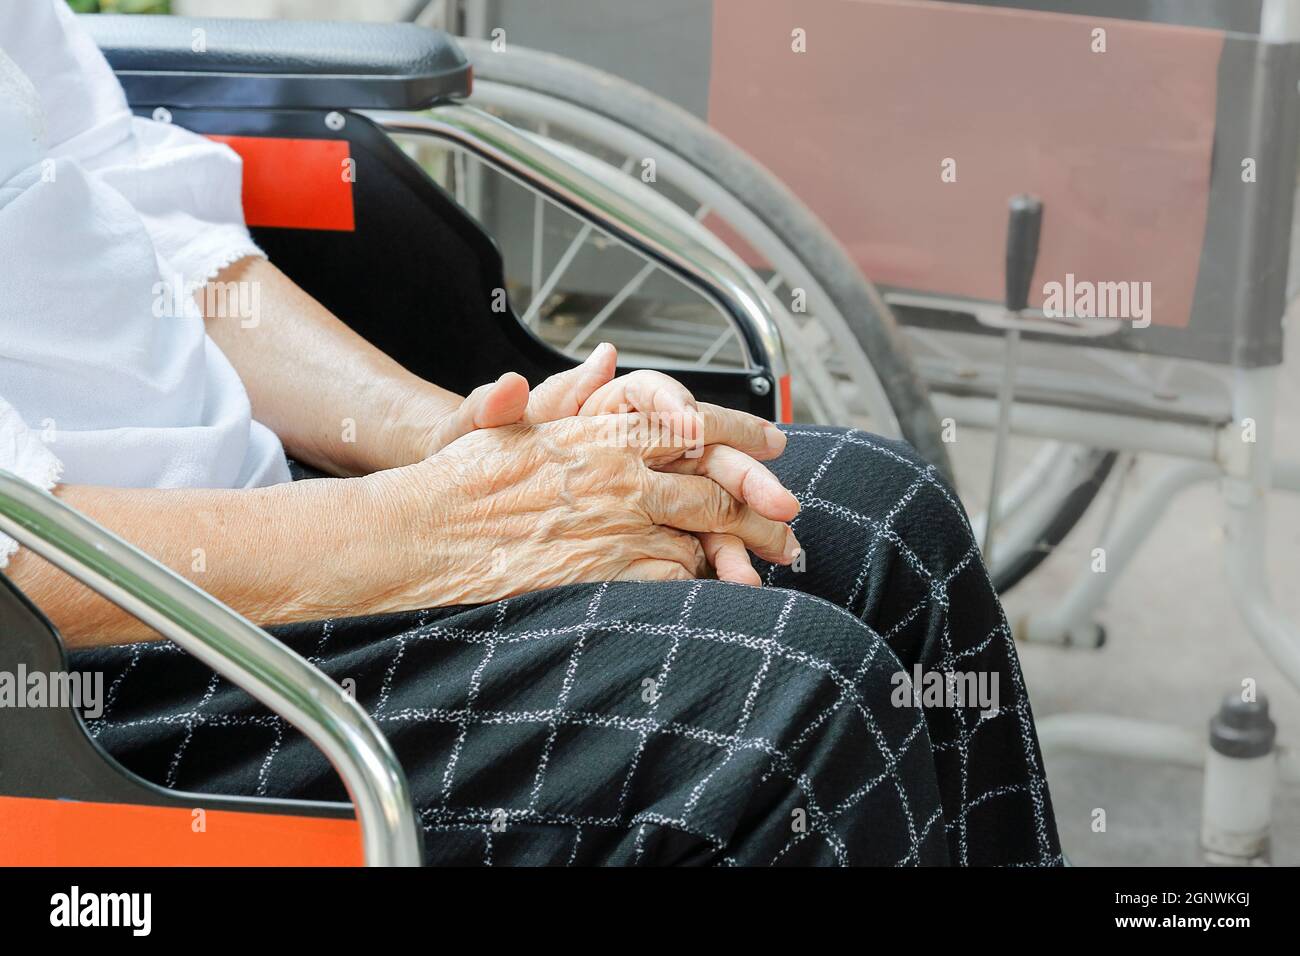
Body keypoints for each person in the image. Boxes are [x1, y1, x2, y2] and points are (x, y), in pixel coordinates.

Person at [0, 0, 1061, 865]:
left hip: (254, 507)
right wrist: (428, 530)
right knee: (783, 703)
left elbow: (126, 202)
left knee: (874, 525)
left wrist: (448, 441)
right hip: (74, 672)